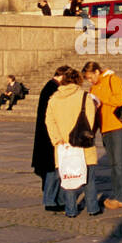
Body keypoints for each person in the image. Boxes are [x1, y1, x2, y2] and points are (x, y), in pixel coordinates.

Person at [45, 67, 101, 218]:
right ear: (78, 80)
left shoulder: (54, 99)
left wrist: (57, 139)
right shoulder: (85, 97)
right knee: (89, 177)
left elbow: (49, 121)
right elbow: (90, 121)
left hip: (63, 146)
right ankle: (92, 208)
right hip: (83, 144)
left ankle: (71, 210)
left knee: (68, 177)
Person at [84, 62, 122, 210]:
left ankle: (120, 197)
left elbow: (119, 99)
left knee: (119, 163)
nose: (90, 81)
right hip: (104, 128)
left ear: (97, 71)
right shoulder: (93, 88)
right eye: (88, 79)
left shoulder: (112, 79)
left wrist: (102, 99)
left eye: (91, 77)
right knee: (113, 163)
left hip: (116, 126)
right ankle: (116, 194)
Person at [32, 67, 69, 212]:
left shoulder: (50, 86)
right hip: (50, 134)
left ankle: (58, 200)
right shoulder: (52, 89)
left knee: (55, 168)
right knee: (52, 169)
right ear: (61, 76)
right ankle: (50, 200)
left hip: (48, 133)